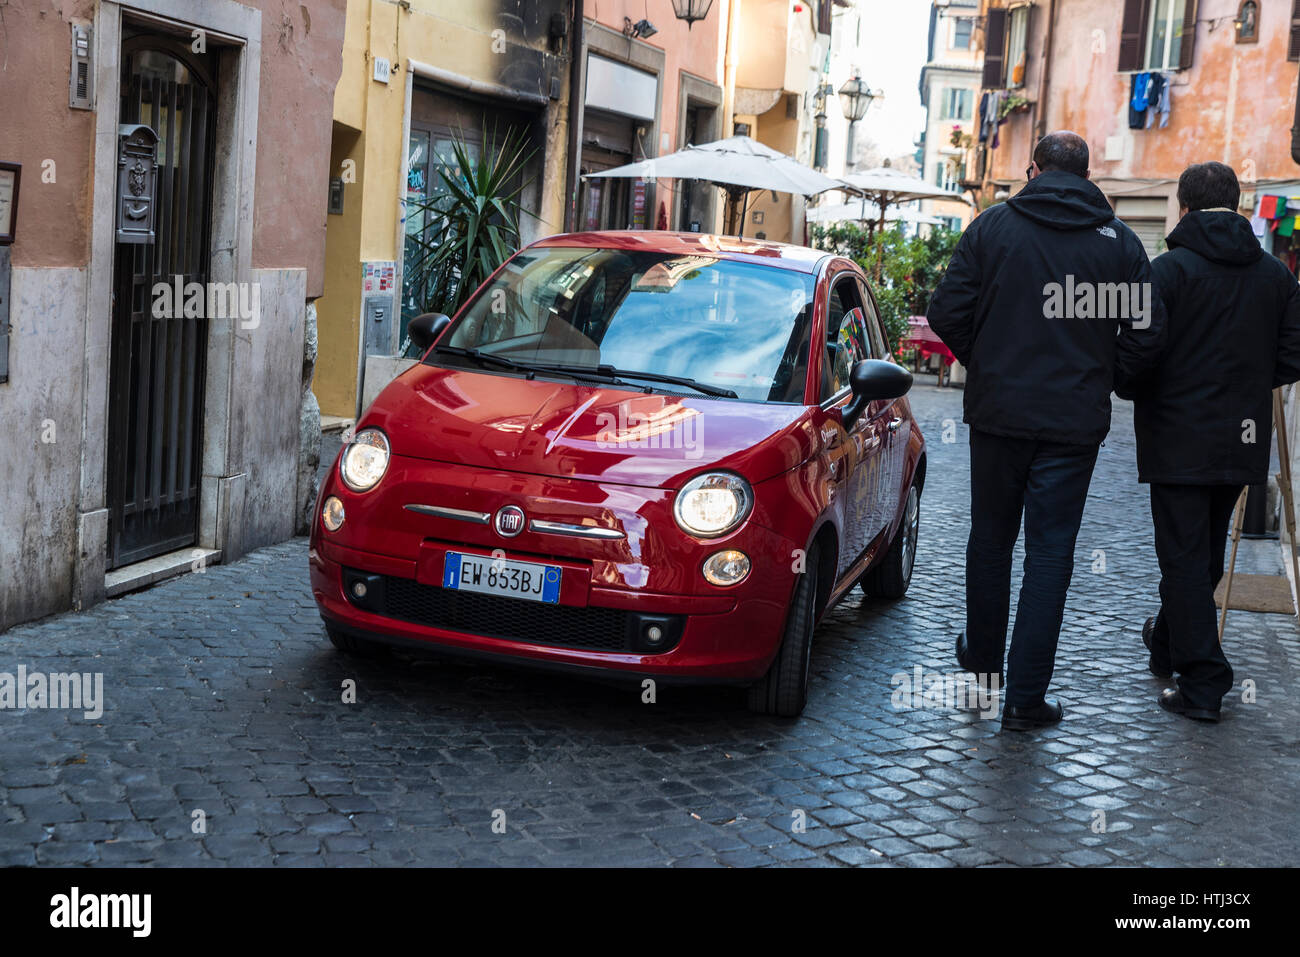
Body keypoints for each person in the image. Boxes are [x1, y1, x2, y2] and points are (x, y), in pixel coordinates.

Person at [927, 131, 1165, 731]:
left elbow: (945, 311)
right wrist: (1104, 378)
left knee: (989, 542)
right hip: (1072, 422)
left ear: (1035, 169)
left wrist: (989, 365)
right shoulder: (1119, 244)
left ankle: (983, 668)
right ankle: (1025, 700)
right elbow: (1146, 334)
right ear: (1088, 174)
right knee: (1051, 555)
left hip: (1000, 415)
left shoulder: (993, 227)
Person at [1116, 161, 1300, 722]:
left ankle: (1203, 679)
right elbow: (1292, 355)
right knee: (1204, 551)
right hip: (1240, 437)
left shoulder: (1166, 272)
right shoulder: (1275, 276)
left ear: (1185, 207)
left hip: (1177, 437)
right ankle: (1169, 644)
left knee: (1182, 557)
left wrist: (1130, 383)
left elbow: (1139, 349)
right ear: (1238, 204)